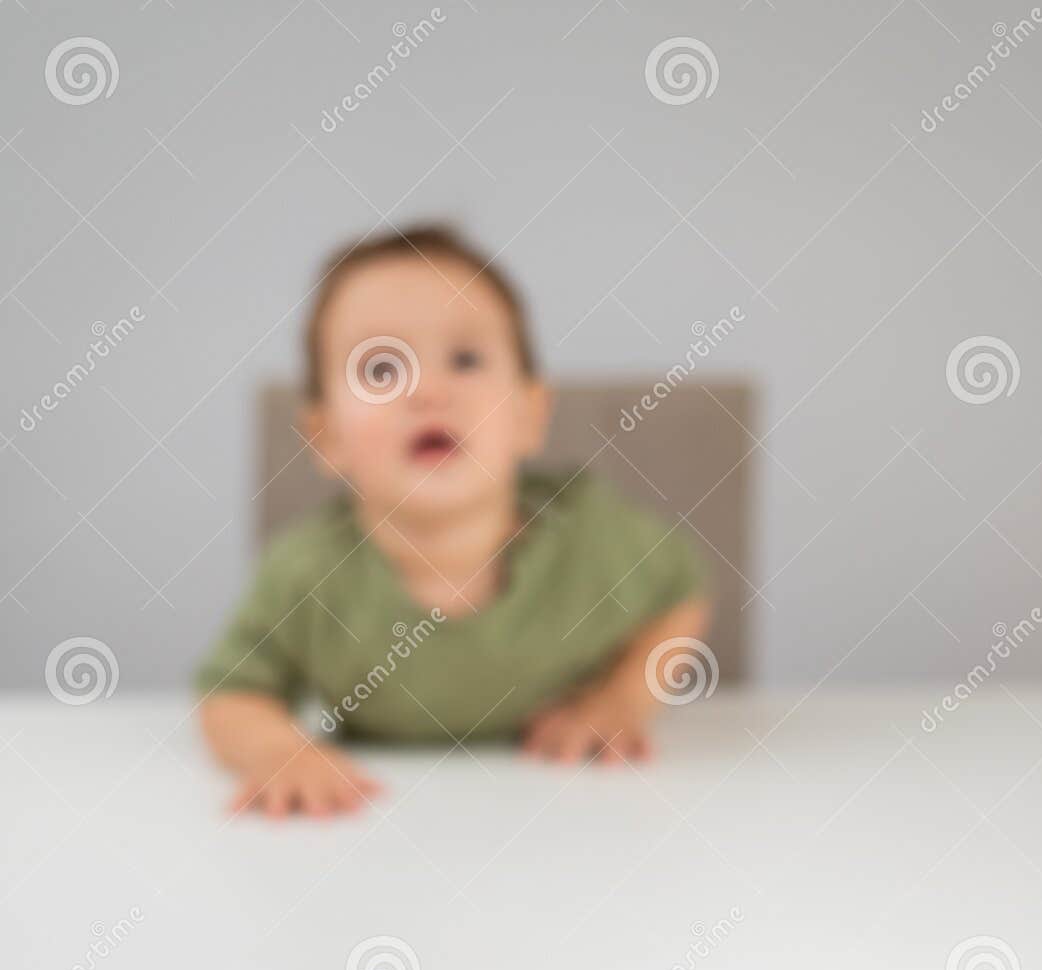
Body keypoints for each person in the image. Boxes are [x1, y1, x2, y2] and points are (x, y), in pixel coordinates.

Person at [194, 225, 711, 816]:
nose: (429, 390)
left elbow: (680, 591)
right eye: (382, 369)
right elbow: (231, 692)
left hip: (570, 810)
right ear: (325, 436)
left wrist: (622, 700)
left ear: (528, 414)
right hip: (380, 819)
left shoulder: (588, 536)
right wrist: (278, 751)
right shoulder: (308, 574)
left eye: (465, 359)